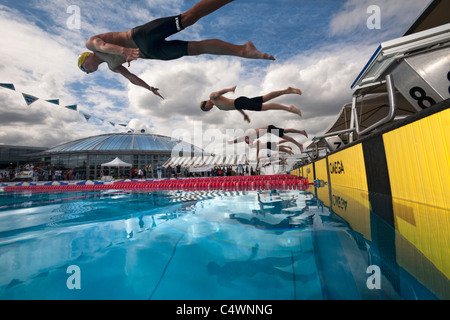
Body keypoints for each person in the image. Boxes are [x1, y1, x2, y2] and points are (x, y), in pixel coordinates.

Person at [77, 0, 274, 99]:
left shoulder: (90, 44)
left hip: (140, 37)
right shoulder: (112, 67)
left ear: (85, 59)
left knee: (187, 19)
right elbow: (131, 77)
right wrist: (149, 88)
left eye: (83, 69)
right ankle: (243, 50)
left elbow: (103, 46)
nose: (87, 72)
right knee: (196, 49)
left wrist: (124, 51)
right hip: (152, 54)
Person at [200, 86, 303, 122]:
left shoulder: (212, 97)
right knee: (265, 98)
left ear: (205, 105)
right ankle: (287, 91)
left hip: (241, 102)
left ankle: (289, 108)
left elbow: (220, 92)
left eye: (206, 109)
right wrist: (244, 115)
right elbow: (235, 107)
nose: (208, 110)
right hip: (241, 103)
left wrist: (230, 89)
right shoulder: (217, 106)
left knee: (265, 107)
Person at [229, 124, 307, 152]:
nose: (253, 141)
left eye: (251, 141)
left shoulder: (250, 134)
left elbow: (241, 139)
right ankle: (301, 132)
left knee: (286, 135)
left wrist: (232, 141)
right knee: (286, 131)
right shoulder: (251, 136)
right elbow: (241, 140)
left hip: (270, 129)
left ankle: (298, 144)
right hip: (270, 129)